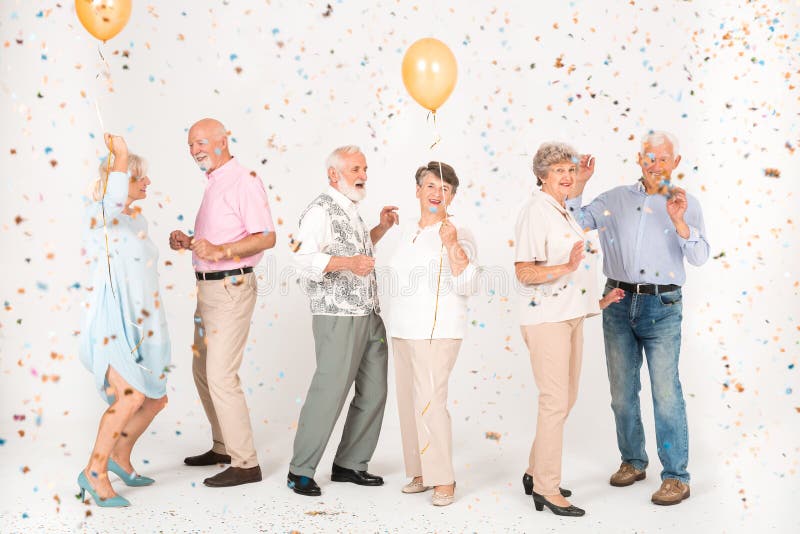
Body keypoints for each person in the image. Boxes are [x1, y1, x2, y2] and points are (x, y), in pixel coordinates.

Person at [566, 131, 710, 505]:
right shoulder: (614, 198)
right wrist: (580, 184)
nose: (656, 164)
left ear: (675, 163)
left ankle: (676, 476)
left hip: (662, 307)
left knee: (666, 393)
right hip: (616, 301)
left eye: (663, 158)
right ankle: (633, 460)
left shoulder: (685, 203)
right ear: (639, 158)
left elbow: (698, 257)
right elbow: (573, 221)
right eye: (650, 157)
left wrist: (680, 222)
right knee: (621, 393)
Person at [514, 142, 625, 517]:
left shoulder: (563, 211)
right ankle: (546, 487)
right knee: (555, 402)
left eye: (570, 169)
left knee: (564, 400)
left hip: (570, 315)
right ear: (542, 176)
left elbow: (576, 270)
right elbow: (524, 271)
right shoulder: (535, 212)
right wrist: (563, 268)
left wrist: (598, 303)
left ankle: (534, 471)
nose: (566, 176)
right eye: (558, 170)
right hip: (546, 319)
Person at [169, 118, 276, 488]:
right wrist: (190, 241)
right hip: (207, 292)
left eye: (200, 141)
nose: (195, 149)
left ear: (222, 140)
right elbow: (217, 237)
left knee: (220, 375)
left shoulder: (243, 179)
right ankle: (222, 446)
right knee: (201, 371)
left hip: (230, 289)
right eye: (190, 145)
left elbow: (266, 238)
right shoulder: (215, 182)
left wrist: (220, 250)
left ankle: (246, 463)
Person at [287, 145, 398, 497]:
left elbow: (357, 250)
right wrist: (349, 263)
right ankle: (300, 470)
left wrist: (379, 229)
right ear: (334, 174)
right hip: (336, 316)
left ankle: (350, 464)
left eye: (364, 168)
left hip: (368, 312)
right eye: (355, 169)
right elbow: (301, 258)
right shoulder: (319, 210)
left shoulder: (351, 211)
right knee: (330, 391)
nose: (363, 175)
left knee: (375, 390)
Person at [78, 133, 171, 507]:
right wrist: (120, 156)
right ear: (121, 180)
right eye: (140, 177)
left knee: (154, 398)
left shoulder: (136, 218)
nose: (148, 182)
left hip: (143, 323)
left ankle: (119, 456)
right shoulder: (101, 213)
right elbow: (110, 201)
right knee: (129, 397)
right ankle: (94, 472)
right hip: (112, 324)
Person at [388, 161, 479, 506]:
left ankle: (444, 479)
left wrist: (453, 244)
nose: (437, 193)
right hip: (403, 329)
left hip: (437, 331)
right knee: (410, 405)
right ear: (418, 190)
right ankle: (420, 472)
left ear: (452, 196)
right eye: (430, 186)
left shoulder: (458, 231)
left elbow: (468, 282)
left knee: (431, 404)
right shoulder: (408, 231)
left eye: (445, 189)